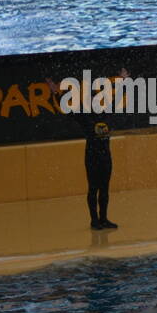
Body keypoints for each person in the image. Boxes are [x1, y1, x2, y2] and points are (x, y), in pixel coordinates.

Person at [52, 75, 118, 229]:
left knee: (105, 189)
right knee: (93, 189)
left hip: (106, 157)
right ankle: (94, 220)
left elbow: (118, 98)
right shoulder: (83, 116)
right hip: (91, 157)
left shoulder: (107, 115)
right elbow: (65, 108)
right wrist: (55, 94)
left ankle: (104, 219)